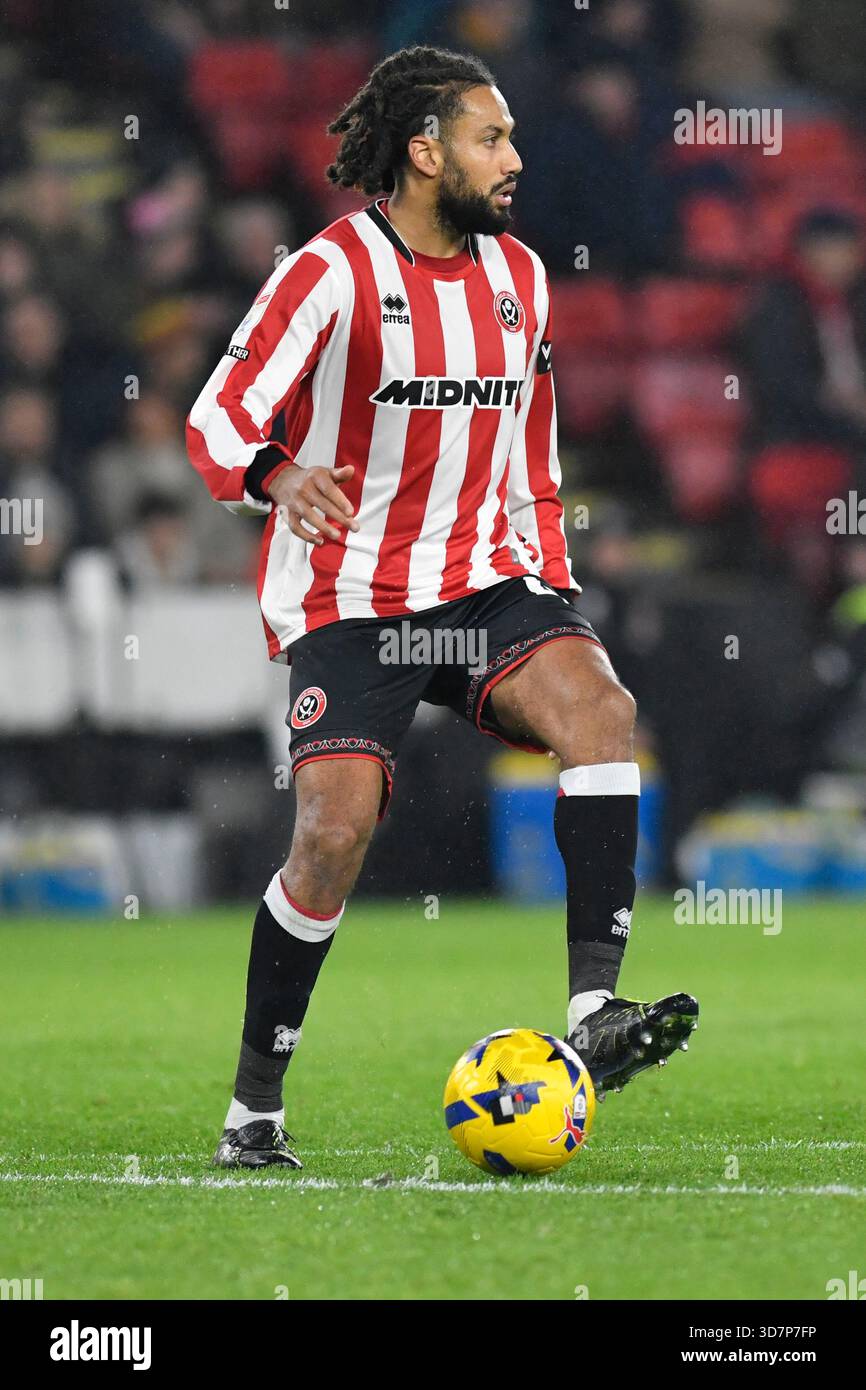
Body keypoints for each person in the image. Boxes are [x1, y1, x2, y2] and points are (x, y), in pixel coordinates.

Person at [186, 45, 697, 1171]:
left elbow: (534, 456)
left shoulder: (522, 276)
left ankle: (591, 1014)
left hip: (482, 582)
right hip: (350, 596)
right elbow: (217, 415)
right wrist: (275, 475)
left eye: (509, 138)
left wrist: (550, 583)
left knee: (601, 714)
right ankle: (253, 1111)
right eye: (490, 138)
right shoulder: (330, 270)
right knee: (330, 835)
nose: (512, 160)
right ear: (424, 152)